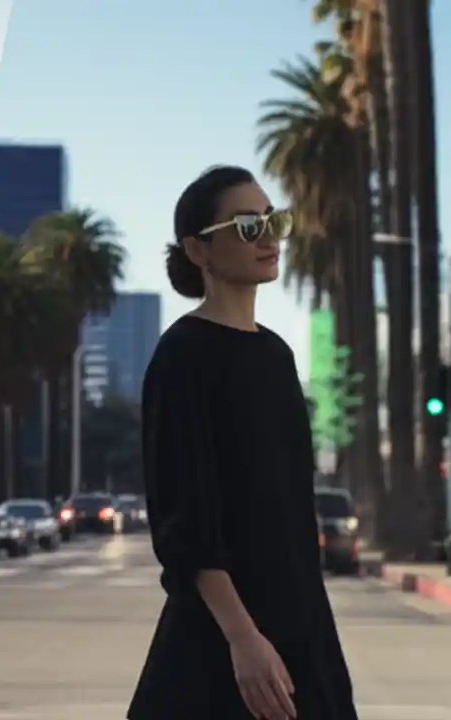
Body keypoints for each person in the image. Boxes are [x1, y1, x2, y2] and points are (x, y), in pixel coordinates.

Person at [127, 165, 357, 719]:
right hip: (221, 644)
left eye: (274, 220)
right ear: (199, 250)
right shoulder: (181, 356)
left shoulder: (277, 357)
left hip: (303, 628)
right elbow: (186, 522)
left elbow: (290, 510)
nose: (271, 237)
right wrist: (243, 639)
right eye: (249, 226)